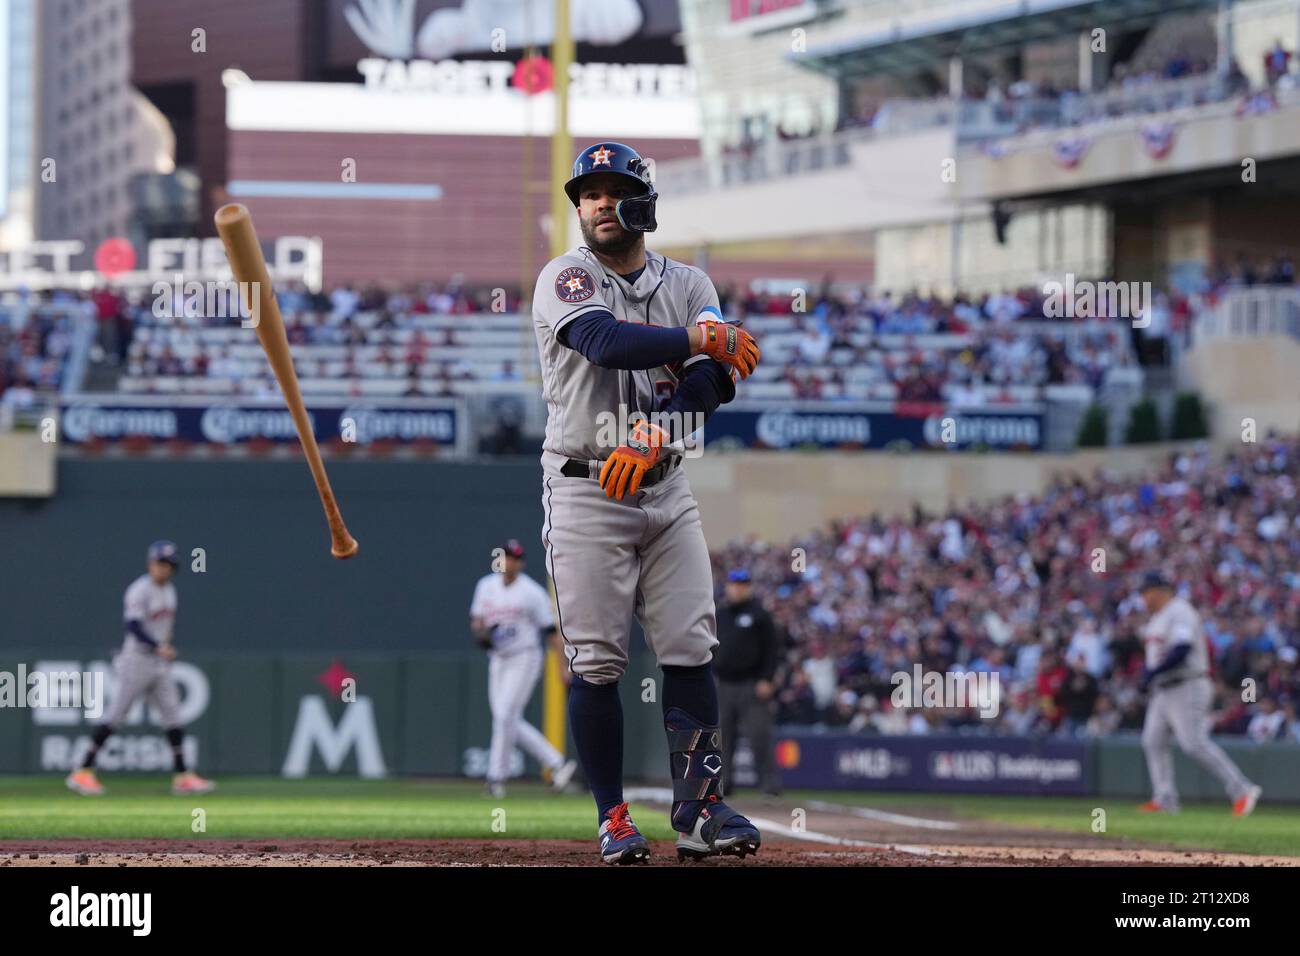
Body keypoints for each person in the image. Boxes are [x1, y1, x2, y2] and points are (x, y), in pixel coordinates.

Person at [532, 141, 762, 864]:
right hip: (586, 485)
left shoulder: (689, 281)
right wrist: (698, 337)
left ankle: (699, 810)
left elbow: (716, 382)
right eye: (587, 192)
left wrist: (664, 430)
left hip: (663, 481)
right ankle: (612, 817)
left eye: (612, 188)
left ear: (644, 202)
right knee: (597, 661)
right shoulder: (565, 274)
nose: (598, 202)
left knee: (692, 646)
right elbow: (602, 341)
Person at [66, 541, 216, 797]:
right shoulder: (139, 590)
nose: (165, 569)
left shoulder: (170, 591)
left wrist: (163, 647)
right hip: (136, 659)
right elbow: (133, 626)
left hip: (159, 662)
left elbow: (164, 626)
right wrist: (159, 645)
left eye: (169, 564)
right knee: (116, 715)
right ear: (151, 563)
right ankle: (82, 772)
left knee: (174, 716)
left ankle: (183, 776)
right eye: (161, 563)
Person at [1137, 571, 1261, 816]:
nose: (1143, 597)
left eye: (1146, 591)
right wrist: (1150, 674)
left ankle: (1242, 789)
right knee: (1152, 741)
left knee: (1193, 743)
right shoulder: (1157, 617)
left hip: (1188, 684)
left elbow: (1182, 649)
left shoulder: (1179, 610)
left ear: (1159, 590)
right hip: (1164, 689)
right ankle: (1165, 799)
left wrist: (1151, 673)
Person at [469, 540, 578, 799]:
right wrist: (479, 631)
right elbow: (476, 619)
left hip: (525, 657)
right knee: (506, 719)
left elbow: (552, 633)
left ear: (521, 562)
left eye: (515, 558)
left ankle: (495, 779)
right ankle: (557, 764)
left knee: (505, 714)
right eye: (507, 556)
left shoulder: (531, 592)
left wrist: (564, 668)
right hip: (498, 658)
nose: (510, 562)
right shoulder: (486, 587)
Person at [713, 569, 781, 795]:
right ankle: (725, 783)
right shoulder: (720, 614)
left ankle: (768, 783)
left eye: (742, 584)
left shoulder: (760, 614)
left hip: (752, 683)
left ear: (748, 587)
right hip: (724, 683)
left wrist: (767, 679)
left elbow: (773, 650)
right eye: (734, 584)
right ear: (728, 586)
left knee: (759, 734)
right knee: (723, 737)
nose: (738, 588)